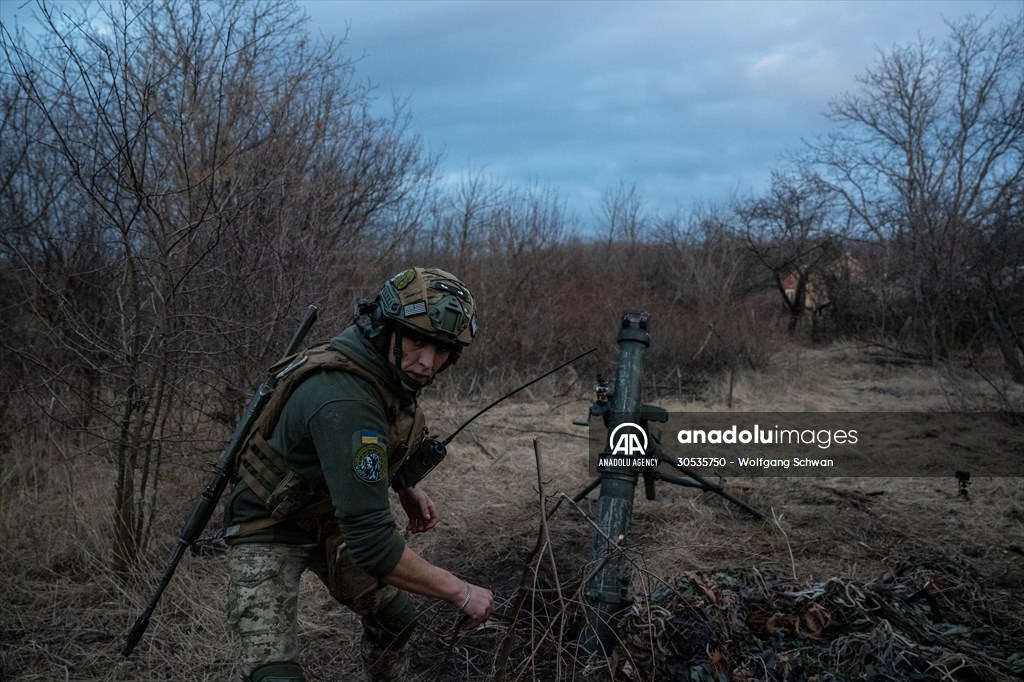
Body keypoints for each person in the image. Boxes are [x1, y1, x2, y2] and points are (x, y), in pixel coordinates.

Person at [223, 267, 495, 682]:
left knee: (396, 620)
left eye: (441, 349)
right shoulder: (345, 396)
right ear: (388, 329)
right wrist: (462, 592)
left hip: (331, 511)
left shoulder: (386, 374)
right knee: (275, 676)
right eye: (418, 340)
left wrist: (407, 484)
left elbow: (378, 447)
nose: (426, 362)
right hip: (268, 522)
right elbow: (371, 544)